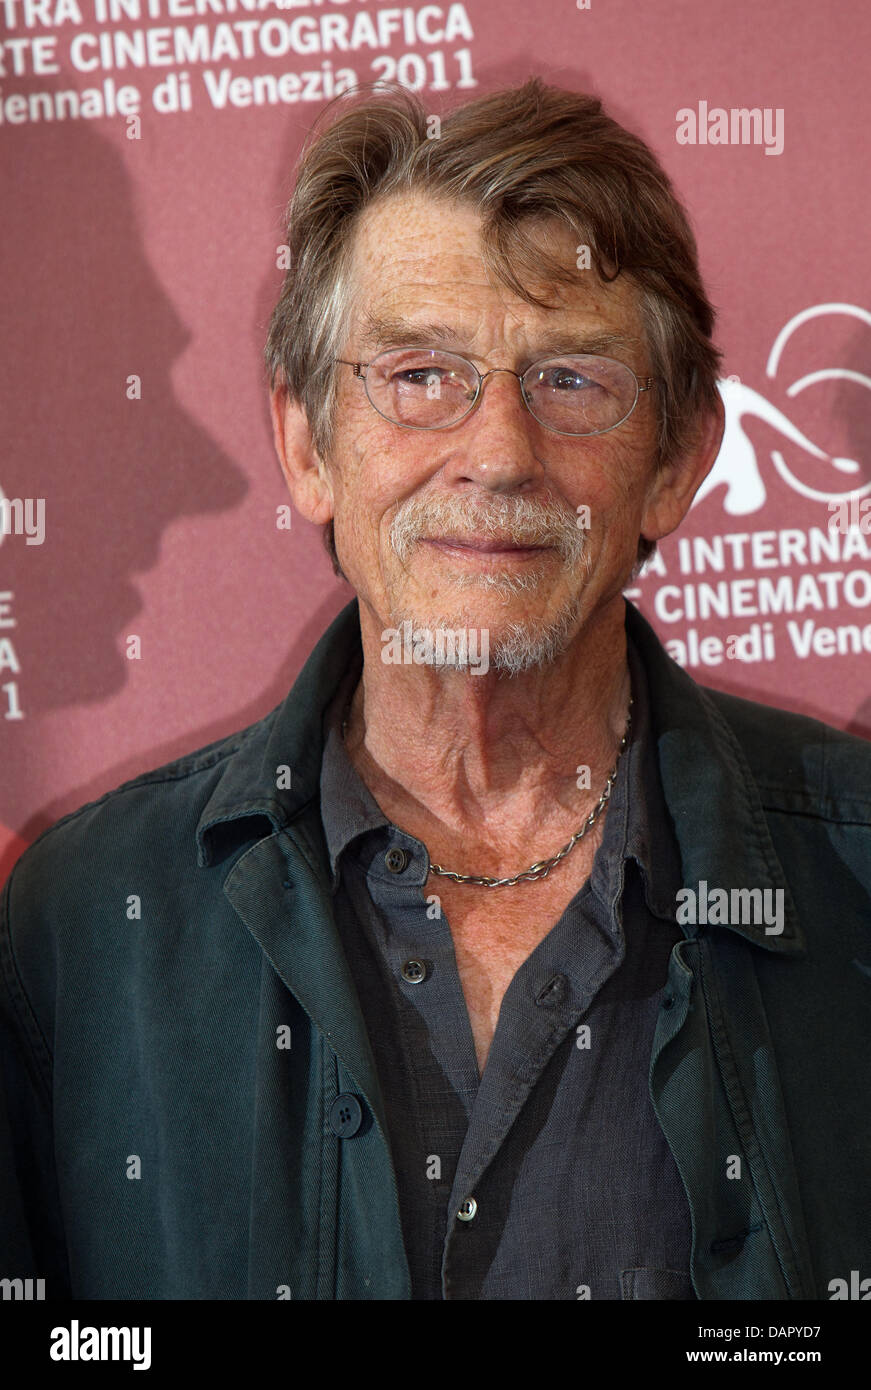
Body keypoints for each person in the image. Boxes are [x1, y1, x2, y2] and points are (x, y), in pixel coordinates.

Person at [1, 76, 869, 1303]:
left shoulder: (857, 871)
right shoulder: (85, 928)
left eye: (571, 380)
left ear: (674, 463)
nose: (500, 451)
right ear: (308, 445)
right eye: (419, 374)